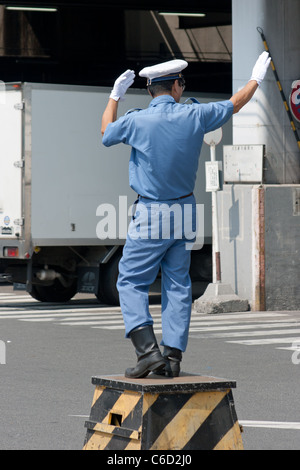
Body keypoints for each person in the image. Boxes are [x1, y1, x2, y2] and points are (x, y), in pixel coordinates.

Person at [101, 52, 271, 379]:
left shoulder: (137, 121)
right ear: (177, 86)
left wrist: (114, 96)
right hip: (184, 211)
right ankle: (173, 357)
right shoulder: (195, 115)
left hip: (152, 211)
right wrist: (256, 80)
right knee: (178, 283)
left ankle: (148, 352)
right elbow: (236, 103)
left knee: (131, 279)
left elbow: (107, 133)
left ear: (151, 90)